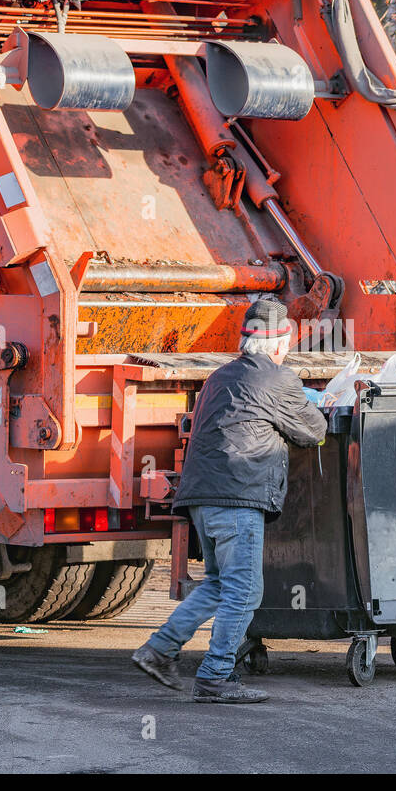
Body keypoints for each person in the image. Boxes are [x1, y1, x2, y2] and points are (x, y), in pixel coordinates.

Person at [132, 299, 326, 703]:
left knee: (220, 584)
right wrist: (312, 402)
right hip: (238, 498)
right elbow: (314, 432)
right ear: (279, 345)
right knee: (244, 590)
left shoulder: (220, 376)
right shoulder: (277, 378)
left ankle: (158, 650)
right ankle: (216, 676)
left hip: (203, 496)